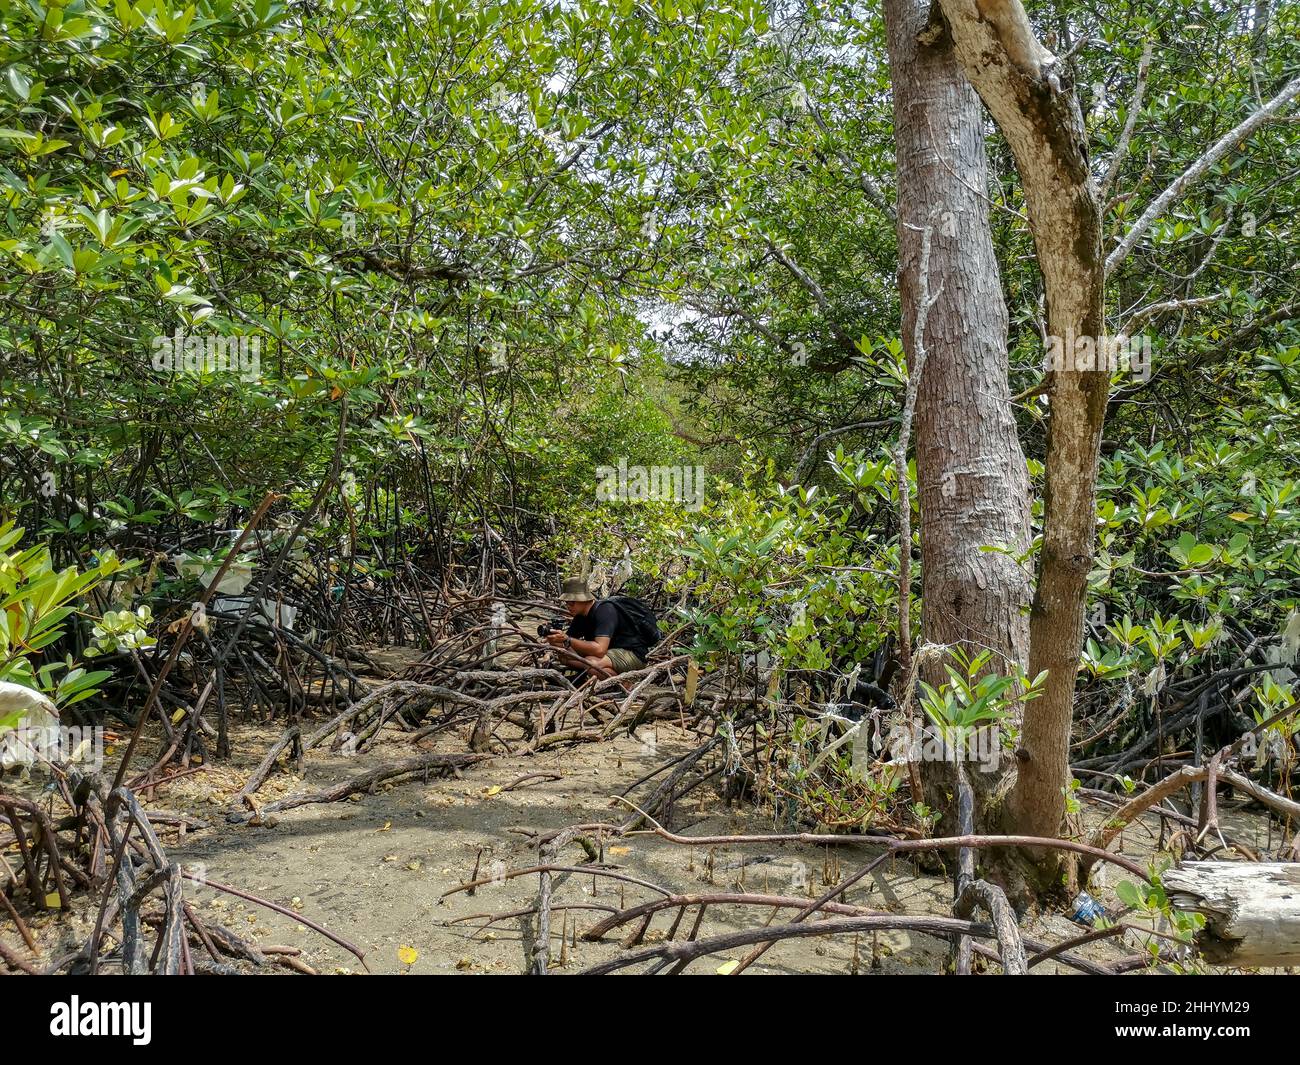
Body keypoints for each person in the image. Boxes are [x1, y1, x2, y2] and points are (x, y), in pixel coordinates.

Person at [544, 576, 651, 679]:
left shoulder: (605, 610)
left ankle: (624, 683)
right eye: (566, 602)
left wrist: (567, 639)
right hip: (609, 654)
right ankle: (597, 673)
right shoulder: (580, 617)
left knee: (592, 663)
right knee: (565, 656)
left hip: (633, 655)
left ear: (584, 599)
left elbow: (599, 649)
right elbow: (567, 646)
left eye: (572, 602)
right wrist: (555, 641)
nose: (568, 606)